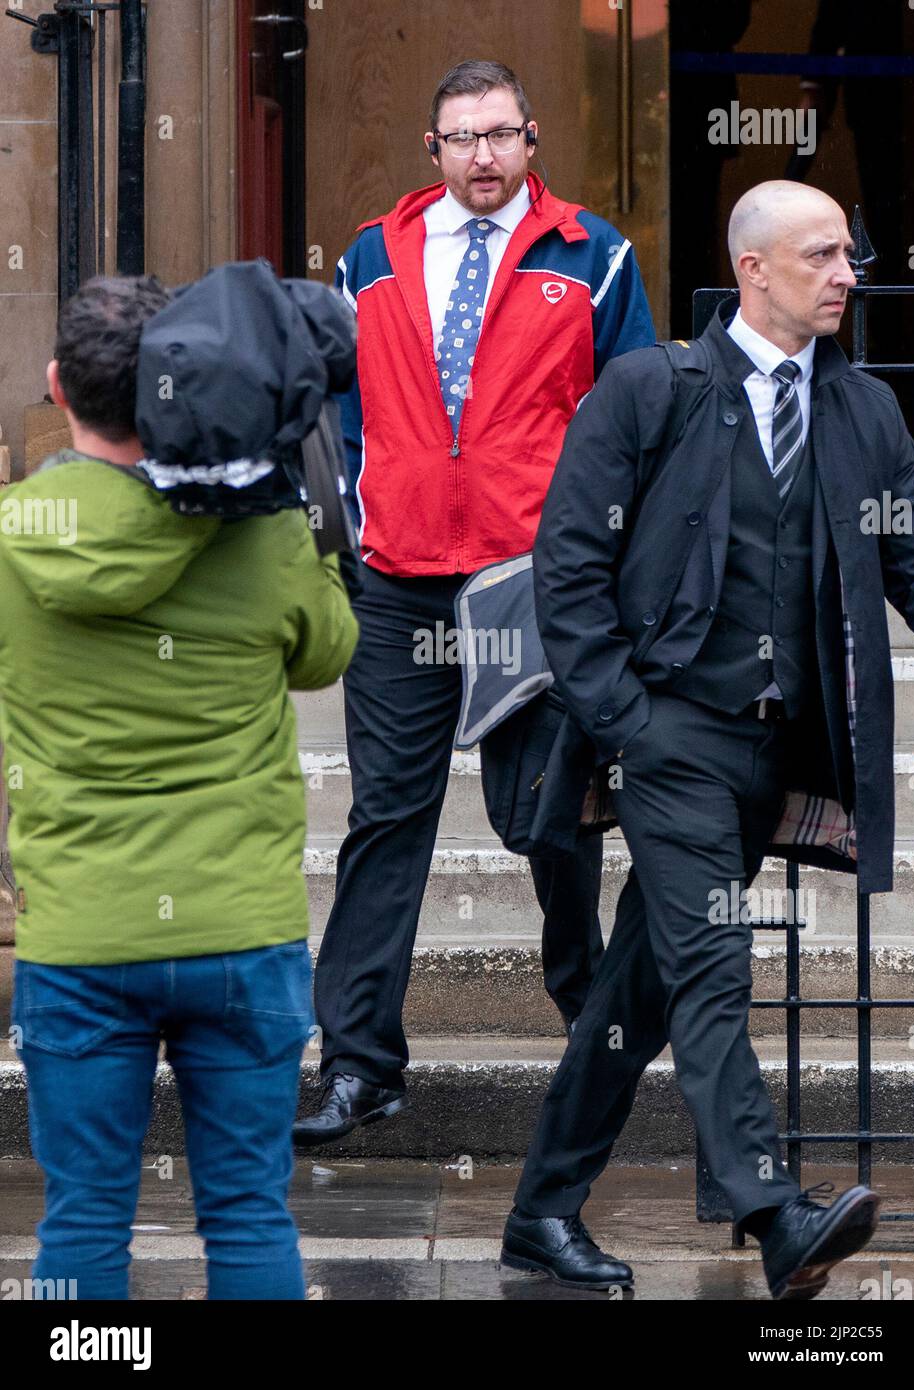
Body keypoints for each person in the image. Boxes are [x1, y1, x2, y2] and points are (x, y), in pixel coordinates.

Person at [499, 179, 914, 1298]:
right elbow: (569, 571)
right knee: (711, 962)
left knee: (635, 992)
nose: (848, 275)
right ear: (754, 267)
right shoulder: (652, 390)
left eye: (850, 255)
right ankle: (773, 1208)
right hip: (671, 737)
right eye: (825, 255)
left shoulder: (866, 413)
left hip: (781, 750)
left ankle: (540, 1211)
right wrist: (626, 721)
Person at [294, 59, 655, 1146]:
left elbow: (634, 412)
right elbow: (344, 404)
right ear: (434, 151)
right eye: (461, 138)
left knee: (549, 819)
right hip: (400, 580)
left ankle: (582, 1006)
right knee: (386, 820)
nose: (483, 156)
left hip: (532, 584)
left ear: (533, 139)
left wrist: (600, 551)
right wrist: (362, 512)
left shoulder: (595, 256)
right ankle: (360, 1064)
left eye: (501, 135)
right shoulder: (374, 254)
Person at [1, 274, 358, 1299]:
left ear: (58, 384)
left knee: (81, 1217)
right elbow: (328, 652)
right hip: (239, 928)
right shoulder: (262, 528)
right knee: (249, 1212)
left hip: (83, 932)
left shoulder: (14, 535)